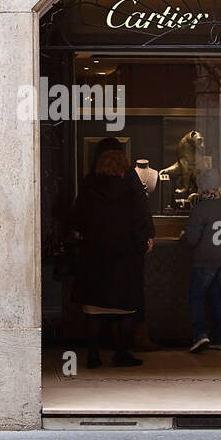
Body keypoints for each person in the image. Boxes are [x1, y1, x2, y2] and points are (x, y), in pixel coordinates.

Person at [71, 144, 152, 367]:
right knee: (125, 308)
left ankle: (93, 356)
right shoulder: (131, 187)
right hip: (124, 257)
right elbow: (140, 219)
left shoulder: (88, 186)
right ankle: (122, 353)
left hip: (94, 255)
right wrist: (142, 243)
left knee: (94, 310)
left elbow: (78, 219)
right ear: (123, 166)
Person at [181, 169, 221, 353]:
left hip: (205, 260)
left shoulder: (201, 208)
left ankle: (200, 334)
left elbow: (191, 239)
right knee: (218, 299)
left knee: (196, 297)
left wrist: (182, 237)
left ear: (201, 188)